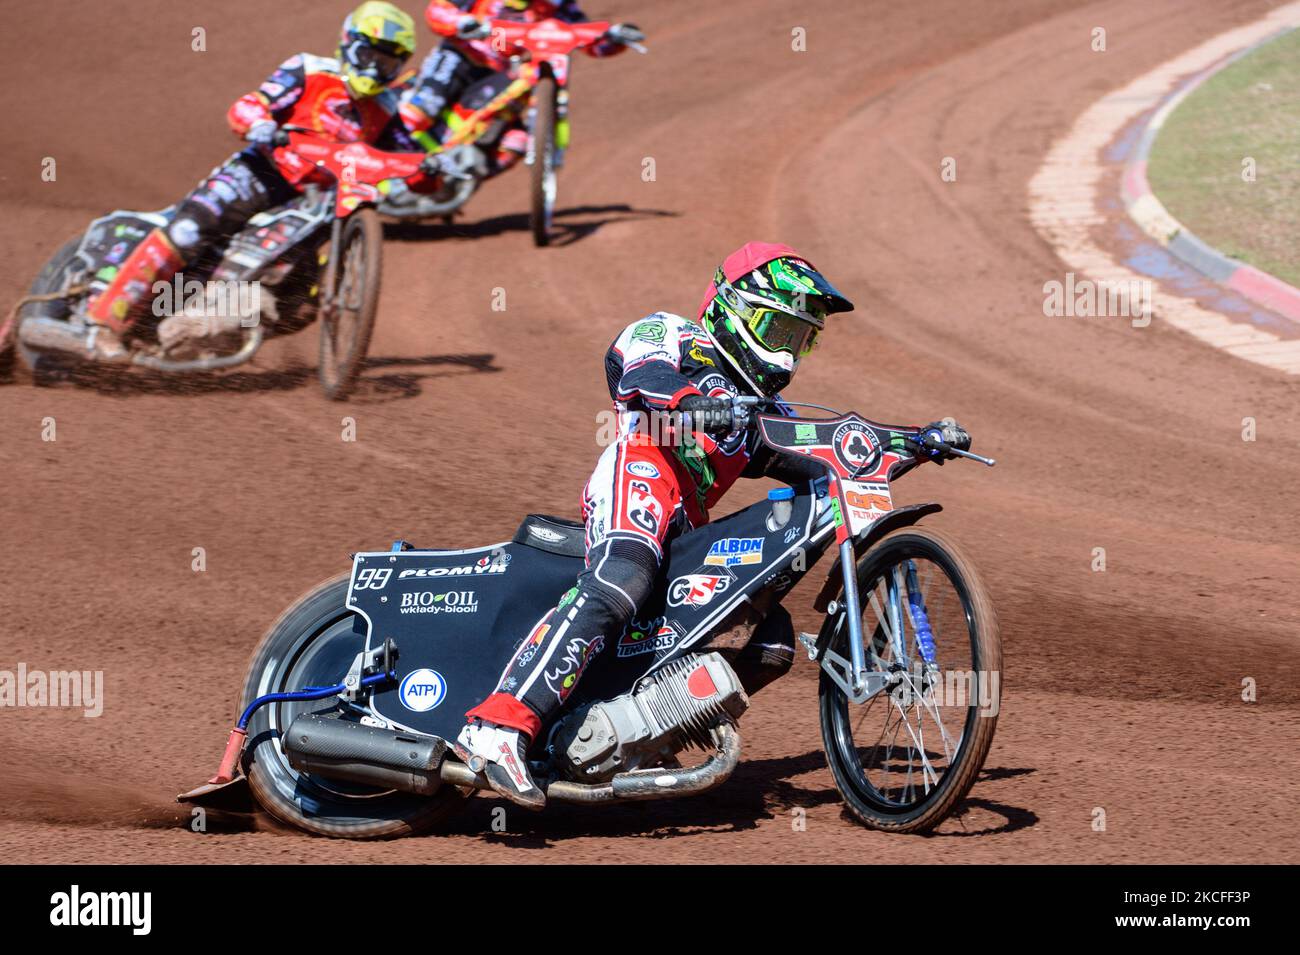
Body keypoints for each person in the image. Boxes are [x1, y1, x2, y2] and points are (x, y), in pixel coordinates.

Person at [454, 242, 871, 808]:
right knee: (625, 573)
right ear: (734, 309)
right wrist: (691, 400)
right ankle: (497, 725)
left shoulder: (761, 411)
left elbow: (827, 449)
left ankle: (637, 728)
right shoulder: (673, 332)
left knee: (771, 638)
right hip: (640, 473)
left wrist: (913, 440)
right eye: (778, 330)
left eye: (801, 339)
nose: (788, 352)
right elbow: (639, 373)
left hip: (689, 525)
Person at [84, 2, 433, 360]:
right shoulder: (309, 71)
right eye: (369, 54)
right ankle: (105, 324)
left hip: (315, 204)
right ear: (348, 43)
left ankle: (203, 332)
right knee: (189, 230)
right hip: (260, 173)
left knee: (299, 301)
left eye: (388, 62)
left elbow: (405, 161)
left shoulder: (389, 110)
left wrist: (434, 170)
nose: (376, 68)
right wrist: (260, 123)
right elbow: (251, 104)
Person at [398, 0, 639, 161]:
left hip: (503, 73)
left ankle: (456, 178)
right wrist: (460, 22)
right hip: (461, 57)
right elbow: (438, 10)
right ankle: (384, 160)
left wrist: (615, 37)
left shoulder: (556, 4)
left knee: (516, 143)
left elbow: (584, 37)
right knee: (420, 110)